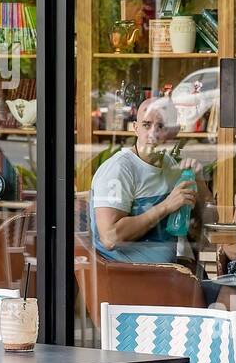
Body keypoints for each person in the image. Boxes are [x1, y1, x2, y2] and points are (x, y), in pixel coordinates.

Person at [90, 94, 212, 272]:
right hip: (129, 277)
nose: (153, 133)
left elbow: (211, 225)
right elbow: (110, 238)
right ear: (135, 128)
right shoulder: (119, 169)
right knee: (227, 296)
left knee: (228, 291)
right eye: (147, 125)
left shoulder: (171, 166)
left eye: (161, 126)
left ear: (174, 131)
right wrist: (166, 206)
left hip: (167, 272)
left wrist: (199, 182)